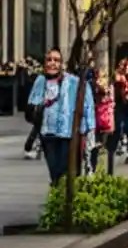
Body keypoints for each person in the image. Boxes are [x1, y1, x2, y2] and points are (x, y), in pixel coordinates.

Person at [25, 48, 95, 184]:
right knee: (54, 172)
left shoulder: (73, 82)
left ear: (62, 64)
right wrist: (38, 106)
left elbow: (88, 102)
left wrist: (88, 128)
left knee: (65, 172)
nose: (52, 63)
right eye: (49, 59)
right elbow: (31, 104)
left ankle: (64, 200)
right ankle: (58, 196)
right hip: (47, 133)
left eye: (56, 60)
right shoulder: (40, 81)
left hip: (67, 134)